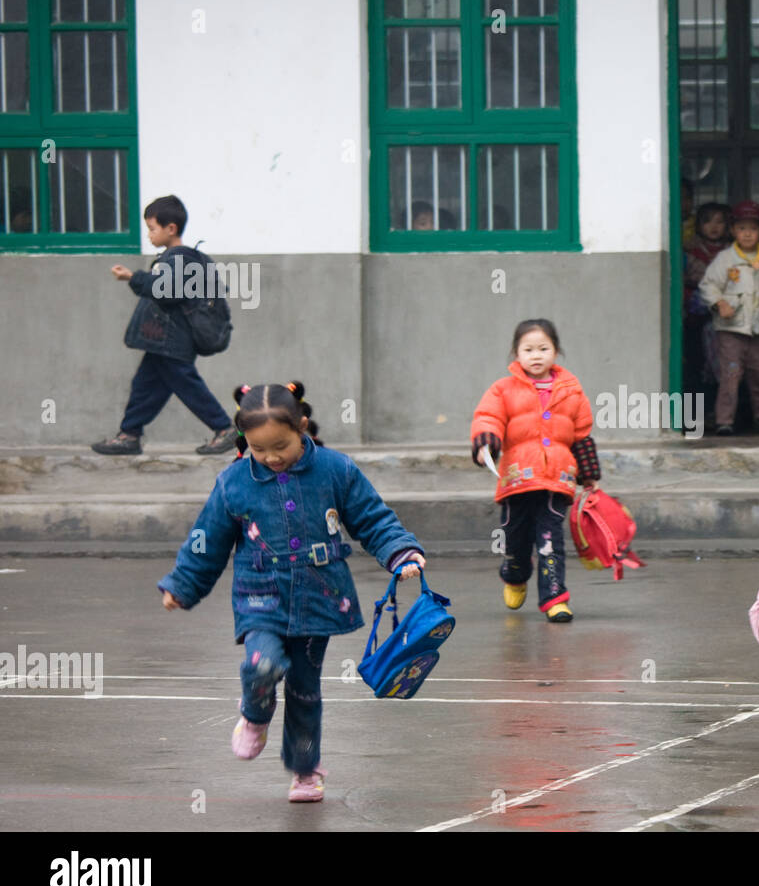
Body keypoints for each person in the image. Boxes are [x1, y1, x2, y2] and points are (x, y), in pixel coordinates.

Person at [157, 382, 426, 802]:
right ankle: (255, 717)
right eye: (258, 449)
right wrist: (181, 584)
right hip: (259, 597)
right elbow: (205, 540)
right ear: (243, 440)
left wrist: (400, 553)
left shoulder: (336, 470)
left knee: (305, 688)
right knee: (262, 664)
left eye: (280, 446)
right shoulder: (233, 482)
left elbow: (373, 519)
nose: (271, 458)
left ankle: (305, 769)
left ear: (302, 426)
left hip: (319, 598)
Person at [470, 319, 600, 623]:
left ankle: (555, 598)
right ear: (516, 353)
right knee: (514, 539)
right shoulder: (502, 389)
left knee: (550, 541)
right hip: (517, 481)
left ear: (556, 351)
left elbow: (581, 433)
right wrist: (486, 443)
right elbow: (487, 418)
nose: (536, 355)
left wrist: (589, 474)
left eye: (544, 348)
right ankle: (514, 575)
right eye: (528, 349)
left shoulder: (571, 390)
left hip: (557, 480)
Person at [92, 195, 237, 455]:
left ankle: (225, 429)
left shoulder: (180, 259)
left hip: (172, 340)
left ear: (171, 229)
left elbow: (166, 290)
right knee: (145, 386)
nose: (149, 235)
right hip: (162, 340)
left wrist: (132, 277)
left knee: (186, 384)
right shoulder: (178, 258)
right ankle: (130, 434)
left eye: (152, 229)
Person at [698, 200, 759, 436]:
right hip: (730, 330)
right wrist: (720, 303)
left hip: (756, 330)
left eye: (753, 228)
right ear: (733, 231)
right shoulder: (725, 259)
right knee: (731, 375)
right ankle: (724, 420)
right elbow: (708, 285)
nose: (747, 234)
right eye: (741, 228)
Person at [683, 202, 731, 401]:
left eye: (720, 221)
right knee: (698, 362)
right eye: (707, 221)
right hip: (697, 318)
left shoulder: (733, 252)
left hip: (728, 317)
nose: (714, 226)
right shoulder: (689, 251)